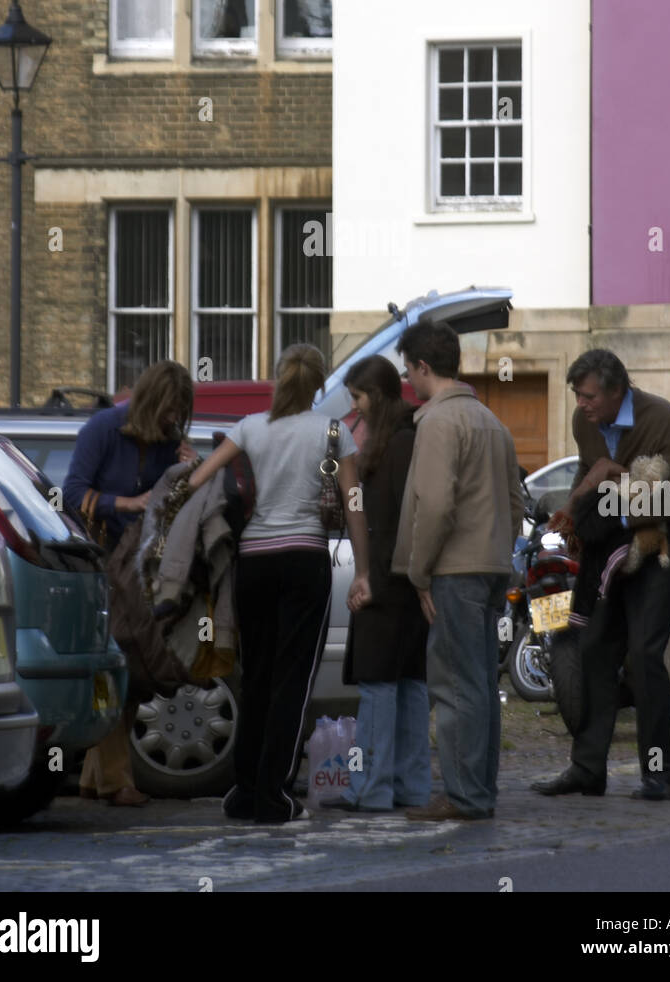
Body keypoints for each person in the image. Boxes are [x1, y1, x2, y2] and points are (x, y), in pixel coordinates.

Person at [186, 343, 372, 825]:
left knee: (258, 678)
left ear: (277, 378)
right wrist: (365, 571)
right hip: (304, 560)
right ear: (319, 384)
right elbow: (353, 502)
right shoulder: (334, 432)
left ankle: (244, 790)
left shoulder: (248, 427)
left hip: (253, 563)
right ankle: (275, 794)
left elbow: (198, 480)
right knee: (294, 680)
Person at [531, 349, 670, 802]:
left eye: (588, 396)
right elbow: (588, 470)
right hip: (609, 542)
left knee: (644, 653)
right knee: (594, 648)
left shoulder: (658, 416)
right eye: (577, 396)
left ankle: (660, 773)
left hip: (660, 543)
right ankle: (587, 770)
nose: (581, 404)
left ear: (616, 389)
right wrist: (579, 515)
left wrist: (613, 477)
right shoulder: (585, 422)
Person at [391, 322, 524, 822]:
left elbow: (437, 503)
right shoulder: (491, 420)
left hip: (454, 570)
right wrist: (498, 553)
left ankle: (465, 796)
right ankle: (477, 791)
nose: (409, 380)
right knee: (481, 686)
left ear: (423, 366)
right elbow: (514, 504)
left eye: (409, 369)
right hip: (490, 566)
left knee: (454, 687)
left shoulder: (438, 422)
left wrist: (420, 572)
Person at [63, 359, 197, 806]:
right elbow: (72, 492)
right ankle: (117, 781)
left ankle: (92, 779)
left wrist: (192, 468)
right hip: (101, 566)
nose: (174, 420)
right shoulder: (102, 429)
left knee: (132, 670)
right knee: (116, 665)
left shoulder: (168, 438)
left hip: (139, 570)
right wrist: (126, 503)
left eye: (180, 413)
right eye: (169, 410)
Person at [325, 355, 430, 812]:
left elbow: (395, 517)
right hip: (404, 575)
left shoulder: (398, 444)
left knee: (379, 685)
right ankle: (408, 786)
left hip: (389, 575)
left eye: (359, 396)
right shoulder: (407, 438)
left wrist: (369, 575)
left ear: (380, 395)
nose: (355, 406)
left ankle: (370, 788)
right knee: (407, 683)